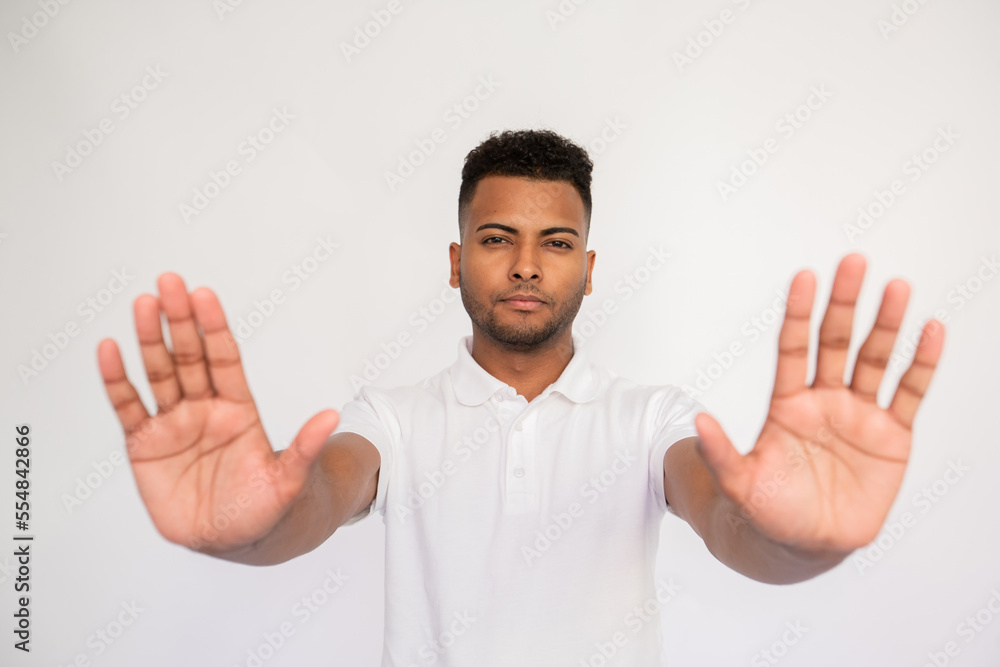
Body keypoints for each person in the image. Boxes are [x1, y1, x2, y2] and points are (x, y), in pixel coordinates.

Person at [97, 129, 944, 666]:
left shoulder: (651, 419)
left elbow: (729, 517)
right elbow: (317, 495)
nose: (528, 265)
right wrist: (249, 531)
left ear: (589, 267)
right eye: (497, 239)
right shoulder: (390, 418)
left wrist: (802, 545)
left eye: (557, 242)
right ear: (458, 260)